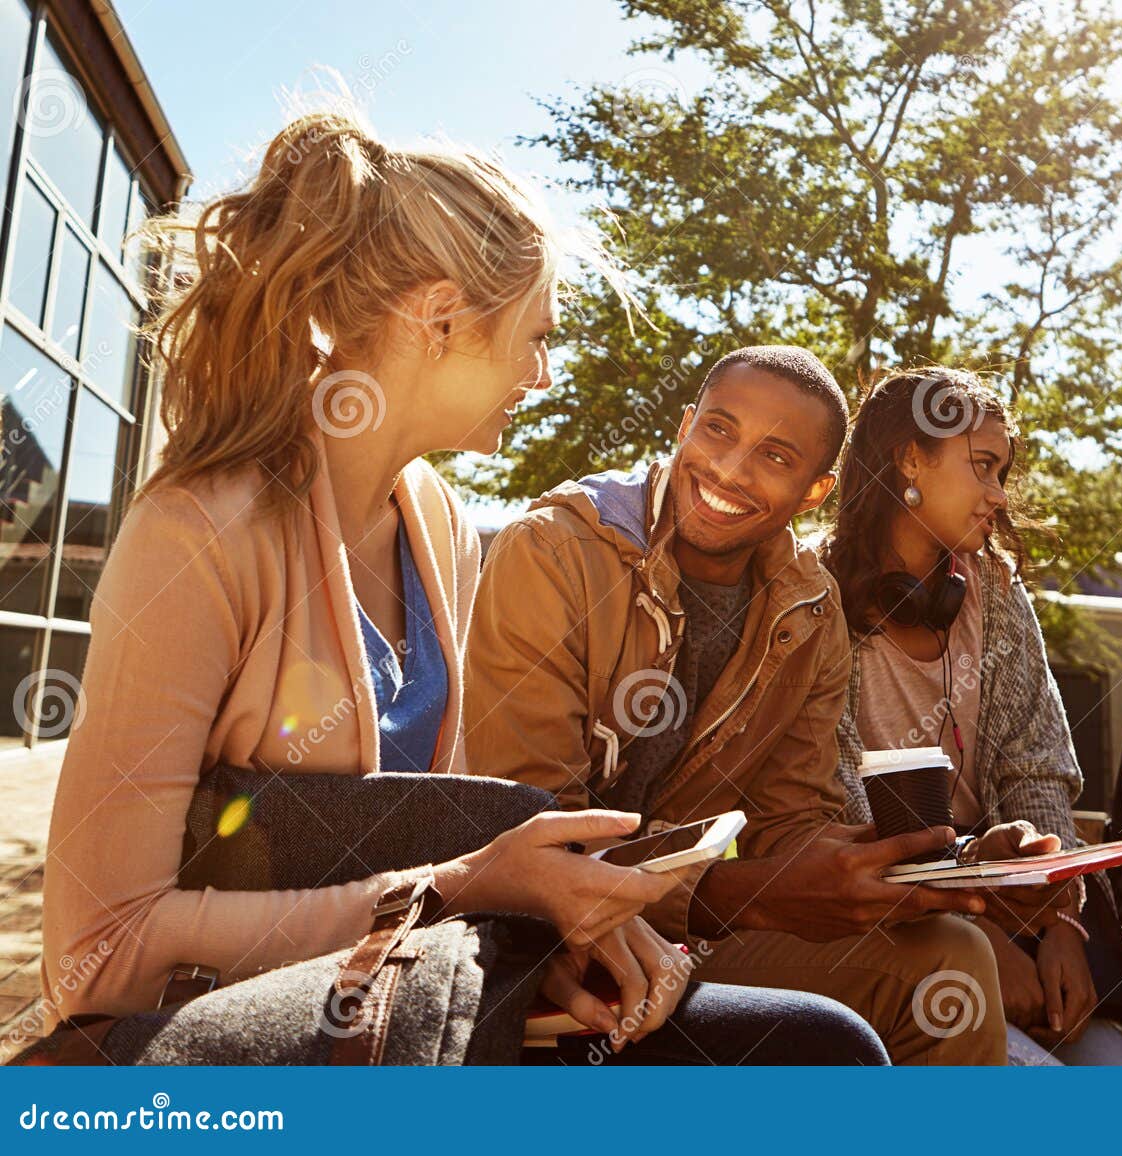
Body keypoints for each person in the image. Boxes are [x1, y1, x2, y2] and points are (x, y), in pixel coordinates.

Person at [40, 114, 885, 1066]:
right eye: (534, 338)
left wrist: (538, 935)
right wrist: (461, 892)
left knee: (822, 1048)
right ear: (441, 317)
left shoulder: (437, 521)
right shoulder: (197, 535)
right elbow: (93, 957)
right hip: (248, 1043)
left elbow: (428, 854)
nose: (542, 374)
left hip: (406, 997)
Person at [464, 345, 1008, 1064]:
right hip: (530, 934)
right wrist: (740, 893)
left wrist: (941, 866)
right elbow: (534, 827)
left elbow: (790, 819)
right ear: (685, 425)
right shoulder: (555, 553)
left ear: (816, 491)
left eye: (776, 457)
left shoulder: (812, 609)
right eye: (718, 430)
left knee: (951, 955)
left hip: (688, 926)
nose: (728, 469)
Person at [825, 367, 1122, 1065]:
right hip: (895, 916)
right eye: (983, 467)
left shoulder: (995, 592)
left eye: (1001, 471)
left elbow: (1040, 767)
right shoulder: (811, 599)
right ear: (910, 457)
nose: (998, 495)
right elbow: (835, 803)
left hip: (1020, 902)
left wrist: (1064, 918)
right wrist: (969, 928)